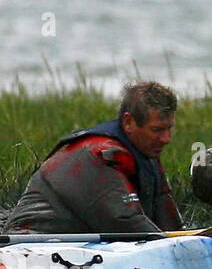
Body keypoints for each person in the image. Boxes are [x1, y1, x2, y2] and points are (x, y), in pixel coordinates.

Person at [4, 82, 183, 235]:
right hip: (30, 244)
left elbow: (171, 225)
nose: (166, 139)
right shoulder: (98, 154)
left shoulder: (147, 152)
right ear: (129, 122)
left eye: (169, 129)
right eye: (157, 130)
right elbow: (126, 224)